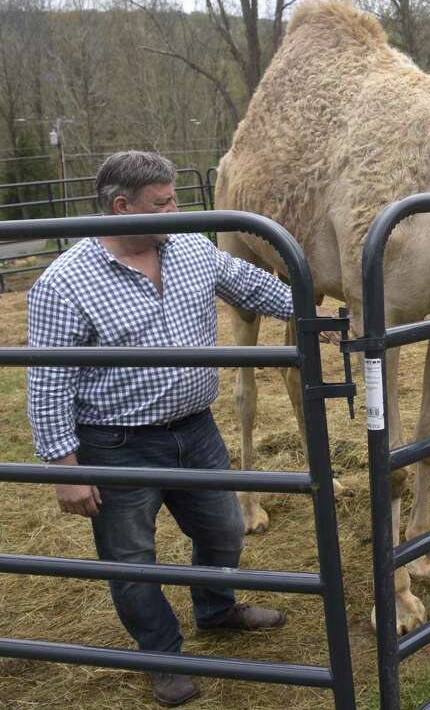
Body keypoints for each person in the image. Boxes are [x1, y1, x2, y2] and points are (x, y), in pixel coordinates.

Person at [25, 151, 327, 707]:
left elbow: (253, 287)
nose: (178, 209)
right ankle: (161, 654)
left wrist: (320, 317)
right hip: (115, 444)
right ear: (121, 207)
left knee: (223, 532)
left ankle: (216, 609)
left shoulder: (190, 248)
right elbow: (47, 380)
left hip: (196, 429)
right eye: (163, 202)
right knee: (132, 559)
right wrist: (65, 468)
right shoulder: (63, 282)